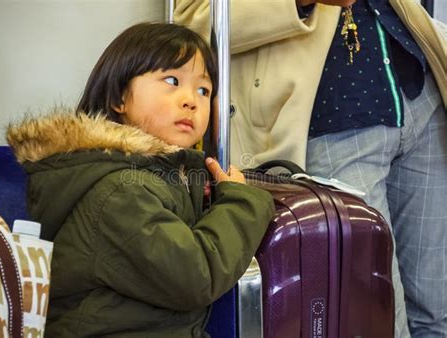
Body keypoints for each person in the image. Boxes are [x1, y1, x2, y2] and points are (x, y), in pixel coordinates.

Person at [175, 0, 446, 337]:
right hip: (334, 118)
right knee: (377, 314)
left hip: (420, 90)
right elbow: (192, 21)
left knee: (437, 306)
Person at [6, 22, 275, 337]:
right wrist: (241, 202)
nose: (192, 100)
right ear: (120, 97)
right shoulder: (120, 191)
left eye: (203, 90)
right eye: (172, 80)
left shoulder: (165, 175)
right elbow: (194, 277)